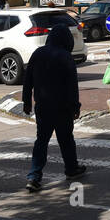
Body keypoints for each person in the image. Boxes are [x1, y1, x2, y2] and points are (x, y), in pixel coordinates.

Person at [22, 24, 87, 191]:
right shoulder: (66, 57)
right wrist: (75, 106)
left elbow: (27, 79)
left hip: (42, 106)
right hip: (62, 107)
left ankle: (34, 176)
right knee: (66, 140)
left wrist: (27, 102)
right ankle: (71, 169)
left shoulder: (38, 53)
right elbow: (72, 86)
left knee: (41, 141)